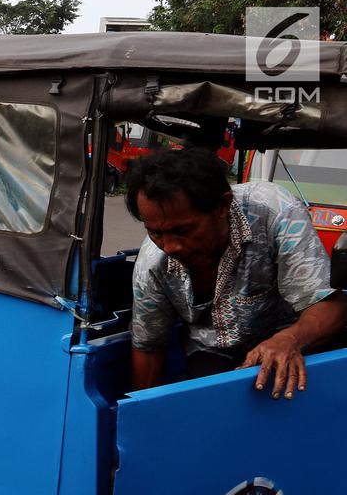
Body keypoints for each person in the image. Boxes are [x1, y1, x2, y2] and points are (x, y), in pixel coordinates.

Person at [128, 147, 347, 397]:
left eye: (183, 231)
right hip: (213, 352)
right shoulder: (152, 265)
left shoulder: (274, 212)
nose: (171, 247)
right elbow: (148, 345)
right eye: (156, 233)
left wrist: (291, 339)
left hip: (298, 339)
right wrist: (146, 416)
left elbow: (330, 305)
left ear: (223, 206)